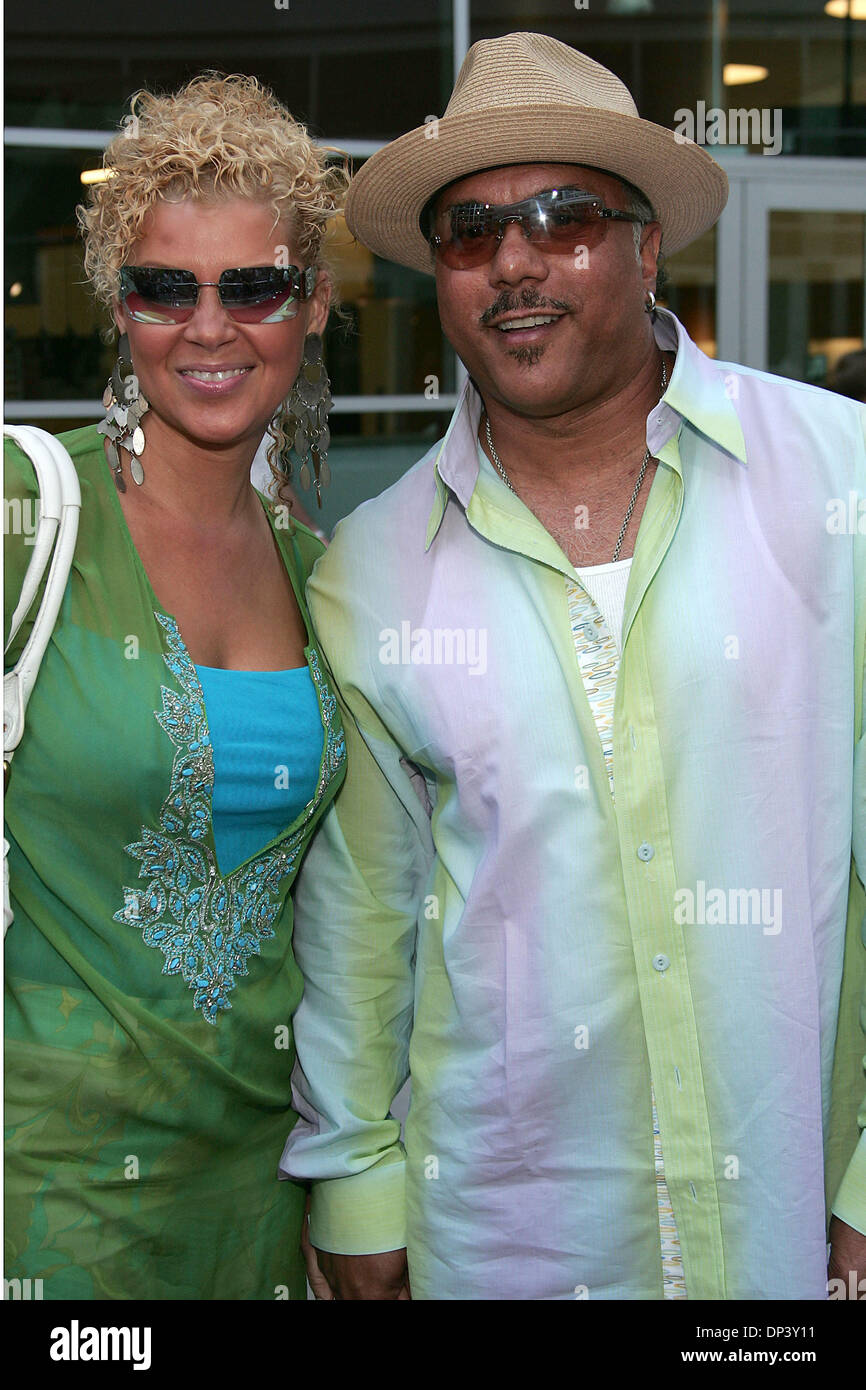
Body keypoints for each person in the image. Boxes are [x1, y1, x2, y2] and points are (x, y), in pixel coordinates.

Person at [282, 33, 866, 1300]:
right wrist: (357, 1188)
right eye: (470, 229)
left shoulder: (840, 482)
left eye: (564, 216)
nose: (513, 262)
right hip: (506, 1244)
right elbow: (364, 923)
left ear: (646, 244)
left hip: (785, 1231)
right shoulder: (371, 573)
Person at [4, 72, 348, 1299]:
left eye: (251, 286)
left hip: (259, 1196)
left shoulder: (326, 580)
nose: (209, 327)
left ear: (311, 305)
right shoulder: (27, 515)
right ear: (120, 307)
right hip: (46, 1198)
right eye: (166, 288)